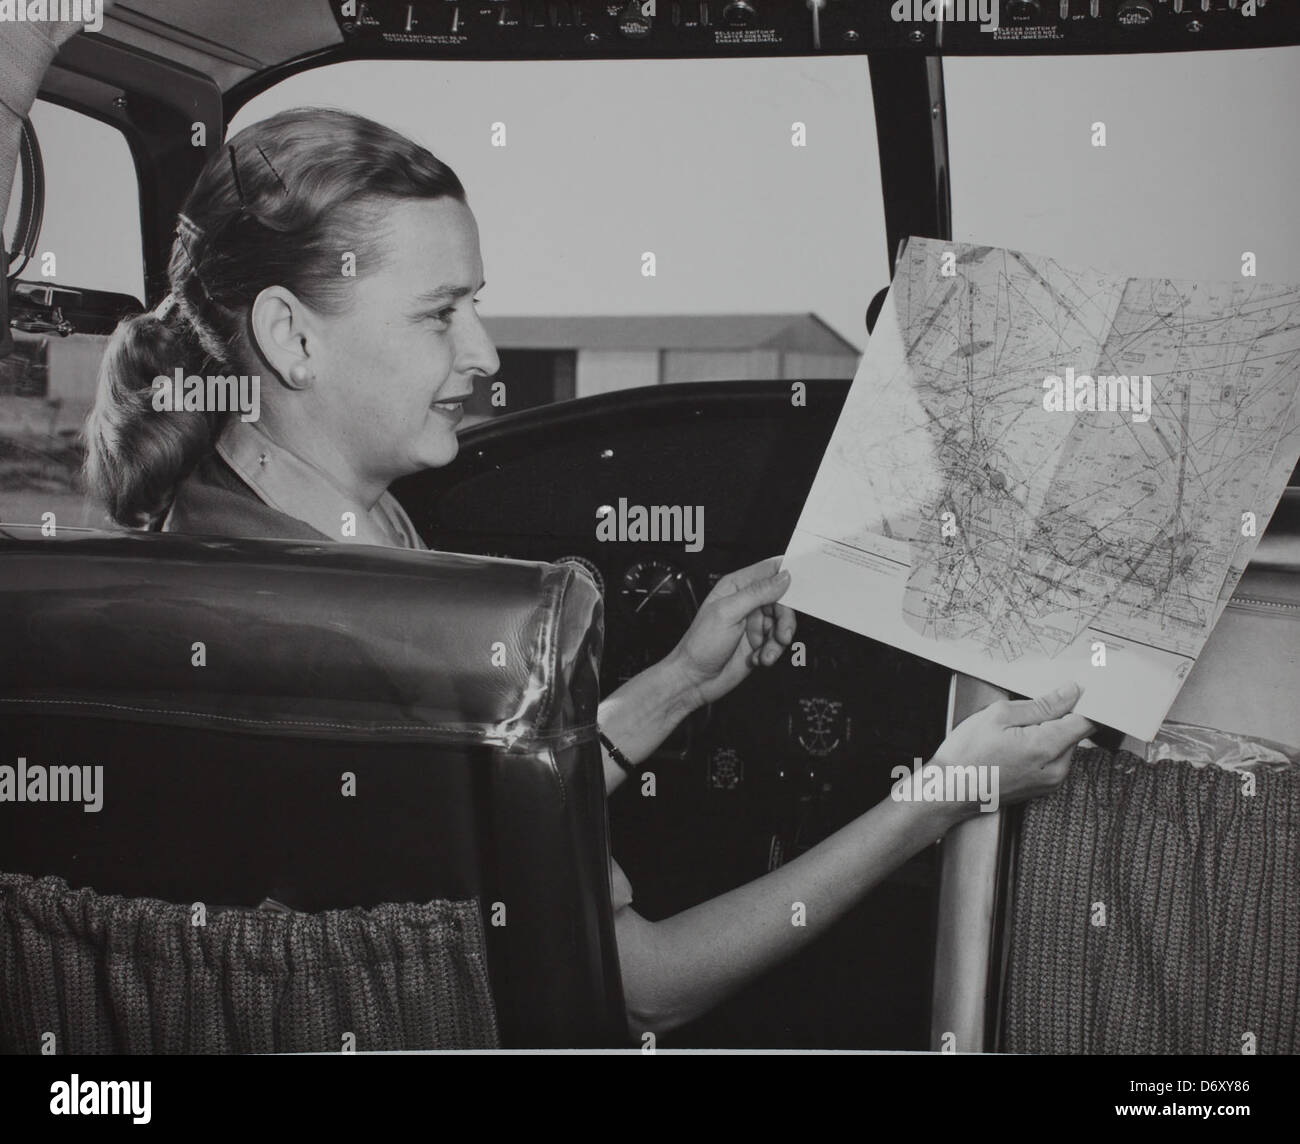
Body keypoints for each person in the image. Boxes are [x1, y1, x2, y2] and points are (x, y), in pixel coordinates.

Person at [84, 108, 1095, 1039]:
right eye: (440, 315)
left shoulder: (227, 552)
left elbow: (472, 824)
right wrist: (943, 794)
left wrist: (681, 683)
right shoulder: (395, 646)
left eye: (474, 306)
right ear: (290, 336)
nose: (483, 352)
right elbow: (642, 986)